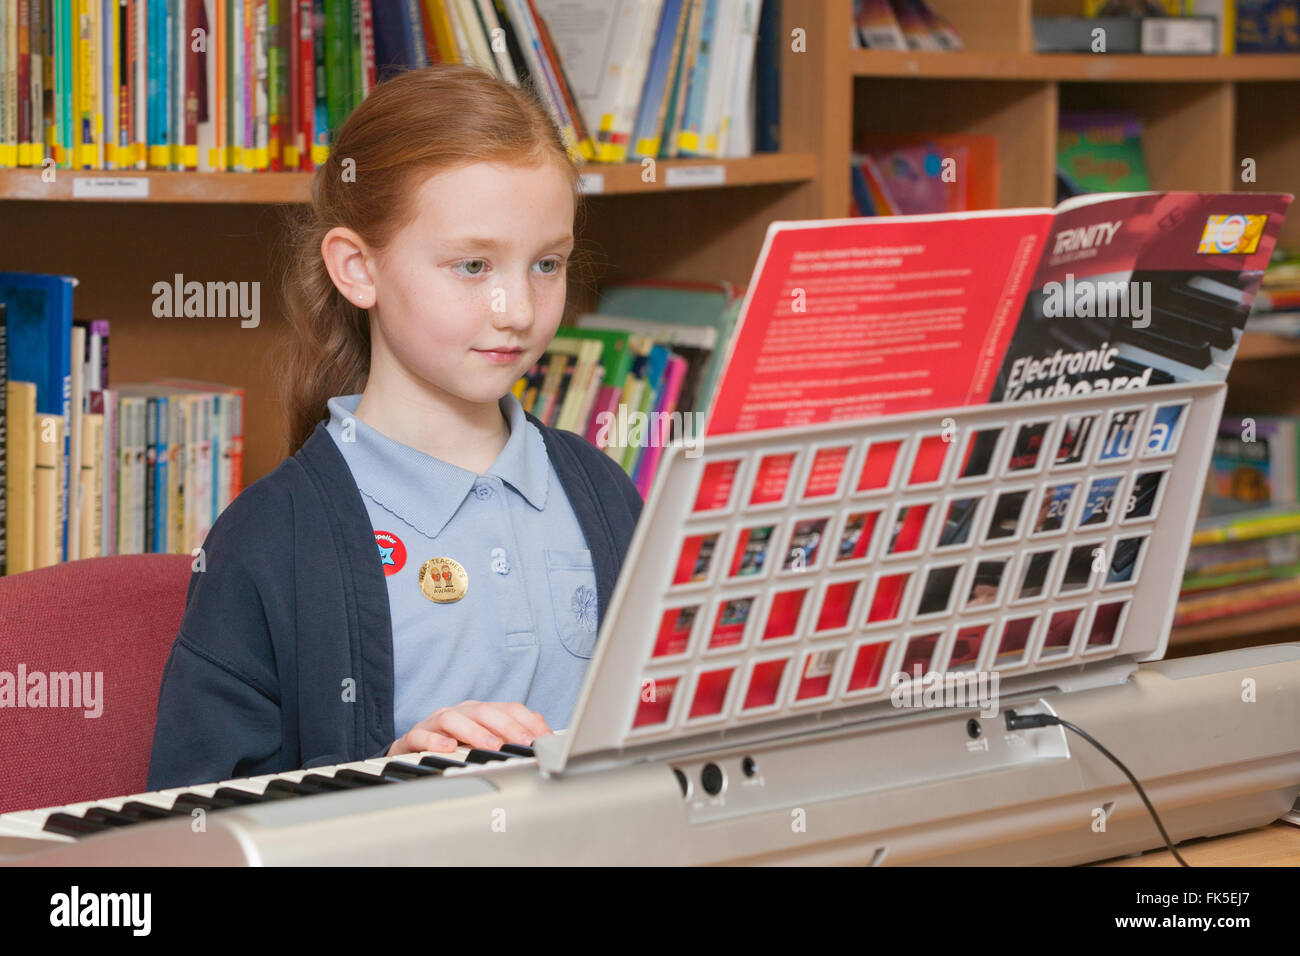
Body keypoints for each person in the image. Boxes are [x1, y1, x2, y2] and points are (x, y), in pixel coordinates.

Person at [147, 65, 642, 791]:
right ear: (357, 269)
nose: (517, 308)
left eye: (546, 264)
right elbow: (192, 823)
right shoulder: (268, 541)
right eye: (472, 265)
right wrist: (380, 784)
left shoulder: (603, 492)